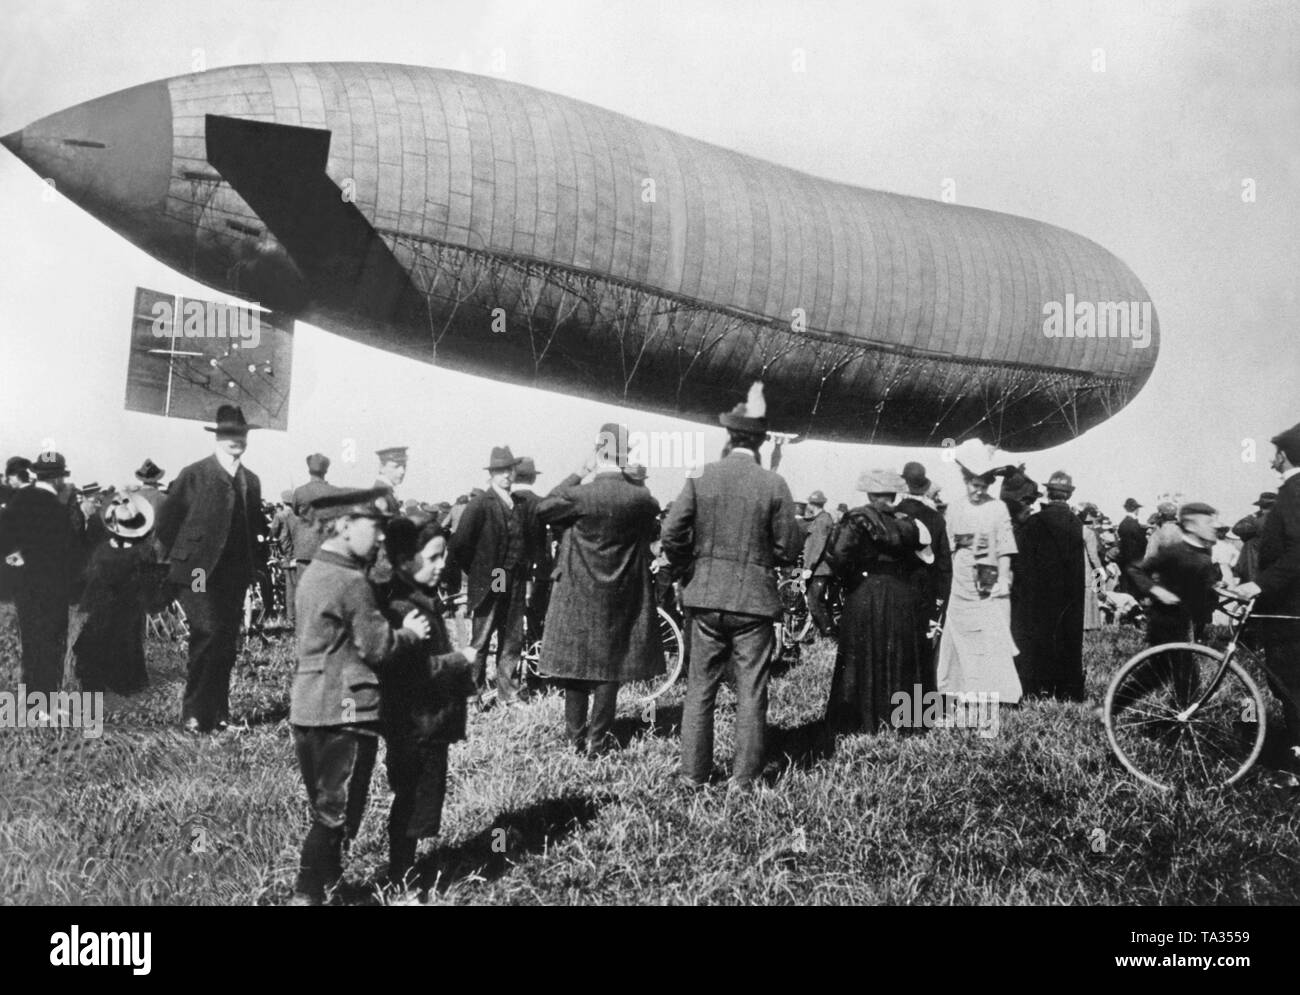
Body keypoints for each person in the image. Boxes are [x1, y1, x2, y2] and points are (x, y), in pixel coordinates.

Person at [288, 487, 431, 905]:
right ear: (347, 526)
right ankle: (307, 894)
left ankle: (332, 889)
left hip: (309, 707)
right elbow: (378, 647)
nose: (382, 537)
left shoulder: (314, 571)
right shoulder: (351, 581)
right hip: (346, 712)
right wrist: (411, 634)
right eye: (376, 527)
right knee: (337, 817)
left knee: (326, 809)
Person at [661, 382, 802, 789]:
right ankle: (744, 778)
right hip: (753, 602)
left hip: (704, 598)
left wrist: (692, 566)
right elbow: (788, 547)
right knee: (751, 692)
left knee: (699, 688)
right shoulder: (774, 484)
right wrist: (762, 561)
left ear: (730, 436)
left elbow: (672, 532)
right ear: (759, 441)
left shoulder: (701, 475)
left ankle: (692, 775)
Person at [536, 427, 665, 757]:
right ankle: (598, 741)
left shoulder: (580, 496)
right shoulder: (641, 499)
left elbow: (543, 508)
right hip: (621, 593)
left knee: (576, 668)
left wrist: (579, 472)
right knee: (611, 667)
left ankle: (574, 740)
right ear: (625, 455)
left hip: (578, 592)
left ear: (598, 451)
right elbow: (651, 524)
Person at [374, 518, 476, 890]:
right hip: (416, 723)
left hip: (425, 721)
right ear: (404, 560)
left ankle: (404, 868)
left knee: (417, 798)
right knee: (413, 799)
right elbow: (414, 671)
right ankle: (400, 878)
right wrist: (460, 661)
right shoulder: (405, 608)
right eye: (432, 557)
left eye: (444, 556)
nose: (441, 565)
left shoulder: (417, 600)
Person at [155, 405, 264, 733]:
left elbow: (255, 527)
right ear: (217, 437)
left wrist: (256, 567)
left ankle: (218, 713)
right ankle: (194, 713)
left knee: (226, 642)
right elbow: (167, 523)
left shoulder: (251, 480)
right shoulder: (195, 473)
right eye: (229, 435)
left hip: (234, 575)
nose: (236, 441)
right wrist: (181, 560)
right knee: (209, 632)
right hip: (198, 572)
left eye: (241, 435)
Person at [823, 469, 932, 738]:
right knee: (902, 655)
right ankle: (906, 719)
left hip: (866, 591)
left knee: (862, 653)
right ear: (894, 494)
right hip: (901, 594)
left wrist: (851, 578)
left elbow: (838, 556)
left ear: (870, 494)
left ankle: (861, 721)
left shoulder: (857, 519)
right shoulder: (909, 522)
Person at [1234, 423, 1300, 775]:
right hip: (1287, 606)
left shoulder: (1294, 491)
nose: (1270, 460)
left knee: (1291, 686)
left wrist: (1259, 586)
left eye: (1273, 453)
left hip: (1289, 608)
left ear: (1284, 455)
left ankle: (1295, 766)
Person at [935, 440, 1022, 705]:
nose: (978, 492)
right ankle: (956, 686)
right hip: (961, 578)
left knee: (989, 633)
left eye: (983, 487)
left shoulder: (998, 508)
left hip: (989, 578)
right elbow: (948, 546)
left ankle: (995, 690)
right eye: (974, 486)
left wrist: (1004, 578)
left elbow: (1006, 546)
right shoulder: (955, 507)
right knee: (959, 632)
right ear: (966, 482)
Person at [0, 450, 84, 697]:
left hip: (24, 584)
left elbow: (5, 536)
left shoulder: (19, 500)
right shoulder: (59, 509)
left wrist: (16, 555)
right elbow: (70, 551)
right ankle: (45, 701)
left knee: (31, 642)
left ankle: (31, 698)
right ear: (59, 479)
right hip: (53, 585)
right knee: (52, 642)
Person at [448, 446, 529, 704]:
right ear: (492, 474)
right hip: (493, 576)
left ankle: (509, 694)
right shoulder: (481, 503)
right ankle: (473, 693)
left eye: (510, 470)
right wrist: (478, 570)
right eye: (500, 471)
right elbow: (459, 544)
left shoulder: (516, 503)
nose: (506, 475)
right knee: (482, 636)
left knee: (512, 636)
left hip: (513, 579)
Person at [1013, 471, 1087, 701]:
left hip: (1037, 594)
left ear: (1048, 492)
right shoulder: (1076, 524)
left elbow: (1021, 562)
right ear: (1069, 494)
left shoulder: (1034, 523)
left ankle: (1034, 687)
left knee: (1036, 638)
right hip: (1069, 596)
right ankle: (1067, 689)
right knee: (1067, 638)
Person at [74, 493, 156, 695]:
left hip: (105, 607)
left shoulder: (103, 550)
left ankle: (101, 680)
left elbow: (89, 577)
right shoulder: (143, 552)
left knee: (99, 642)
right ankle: (124, 681)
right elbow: (148, 582)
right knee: (126, 642)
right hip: (127, 607)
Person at [896, 460, 952, 689]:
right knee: (922, 646)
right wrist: (942, 597)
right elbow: (944, 564)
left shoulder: (892, 515)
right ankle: (919, 701)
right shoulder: (936, 518)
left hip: (897, 586)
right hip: (925, 589)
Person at [510, 456, 552, 646]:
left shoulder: (503, 502)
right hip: (537, 571)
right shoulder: (541, 503)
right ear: (533, 479)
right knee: (535, 619)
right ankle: (533, 668)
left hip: (501, 572)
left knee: (500, 615)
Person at [801, 490, 837, 638]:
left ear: (811, 504)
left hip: (819, 569)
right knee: (817, 602)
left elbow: (817, 546)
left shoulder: (822, 521)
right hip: (819, 569)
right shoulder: (822, 519)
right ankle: (822, 633)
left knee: (815, 603)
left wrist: (809, 567)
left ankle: (829, 634)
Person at [1232, 492, 1275, 584]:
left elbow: (1237, 529)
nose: (1262, 509)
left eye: (1266, 506)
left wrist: (1253, 518)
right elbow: (1237, 529)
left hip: (1258, 567)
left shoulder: (1258, 519)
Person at [1117, 497, 1146, 595]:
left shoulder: (1123, 523)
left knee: (1126, 585)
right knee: (1134, 587)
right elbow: (1142, 542)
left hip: (1124, 559)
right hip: (1135, 559)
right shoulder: (1133, 524)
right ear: (1136, 509)